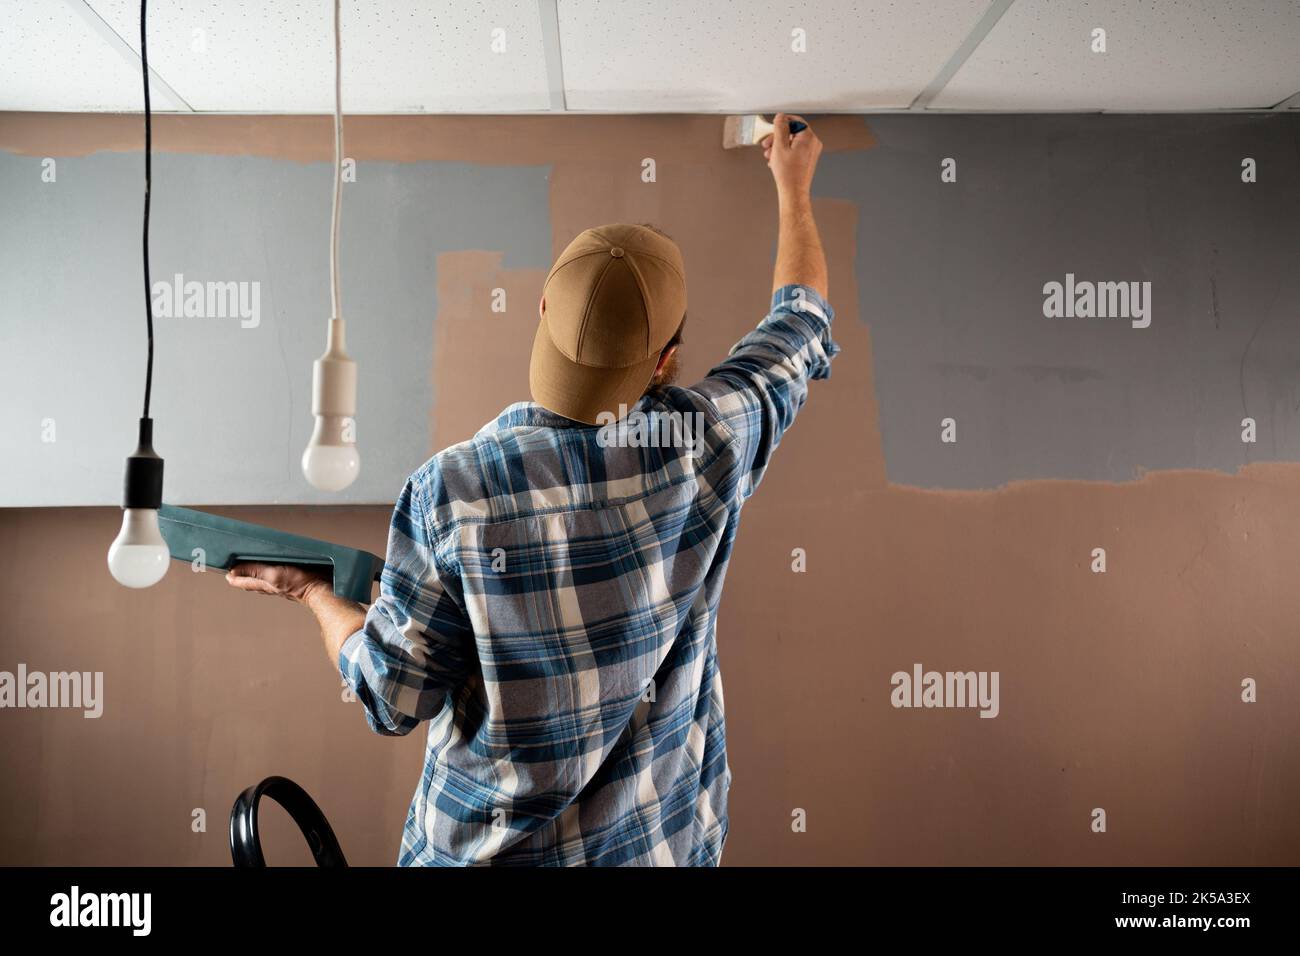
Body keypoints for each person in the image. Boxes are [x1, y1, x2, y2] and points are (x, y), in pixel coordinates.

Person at [227, 113, 838, 865]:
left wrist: (311, 596)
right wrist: (793, 182)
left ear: (543, 310)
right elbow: (800, 324)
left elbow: (393, 698)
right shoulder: (709, 440)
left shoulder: (451, 493)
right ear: (665, 360)